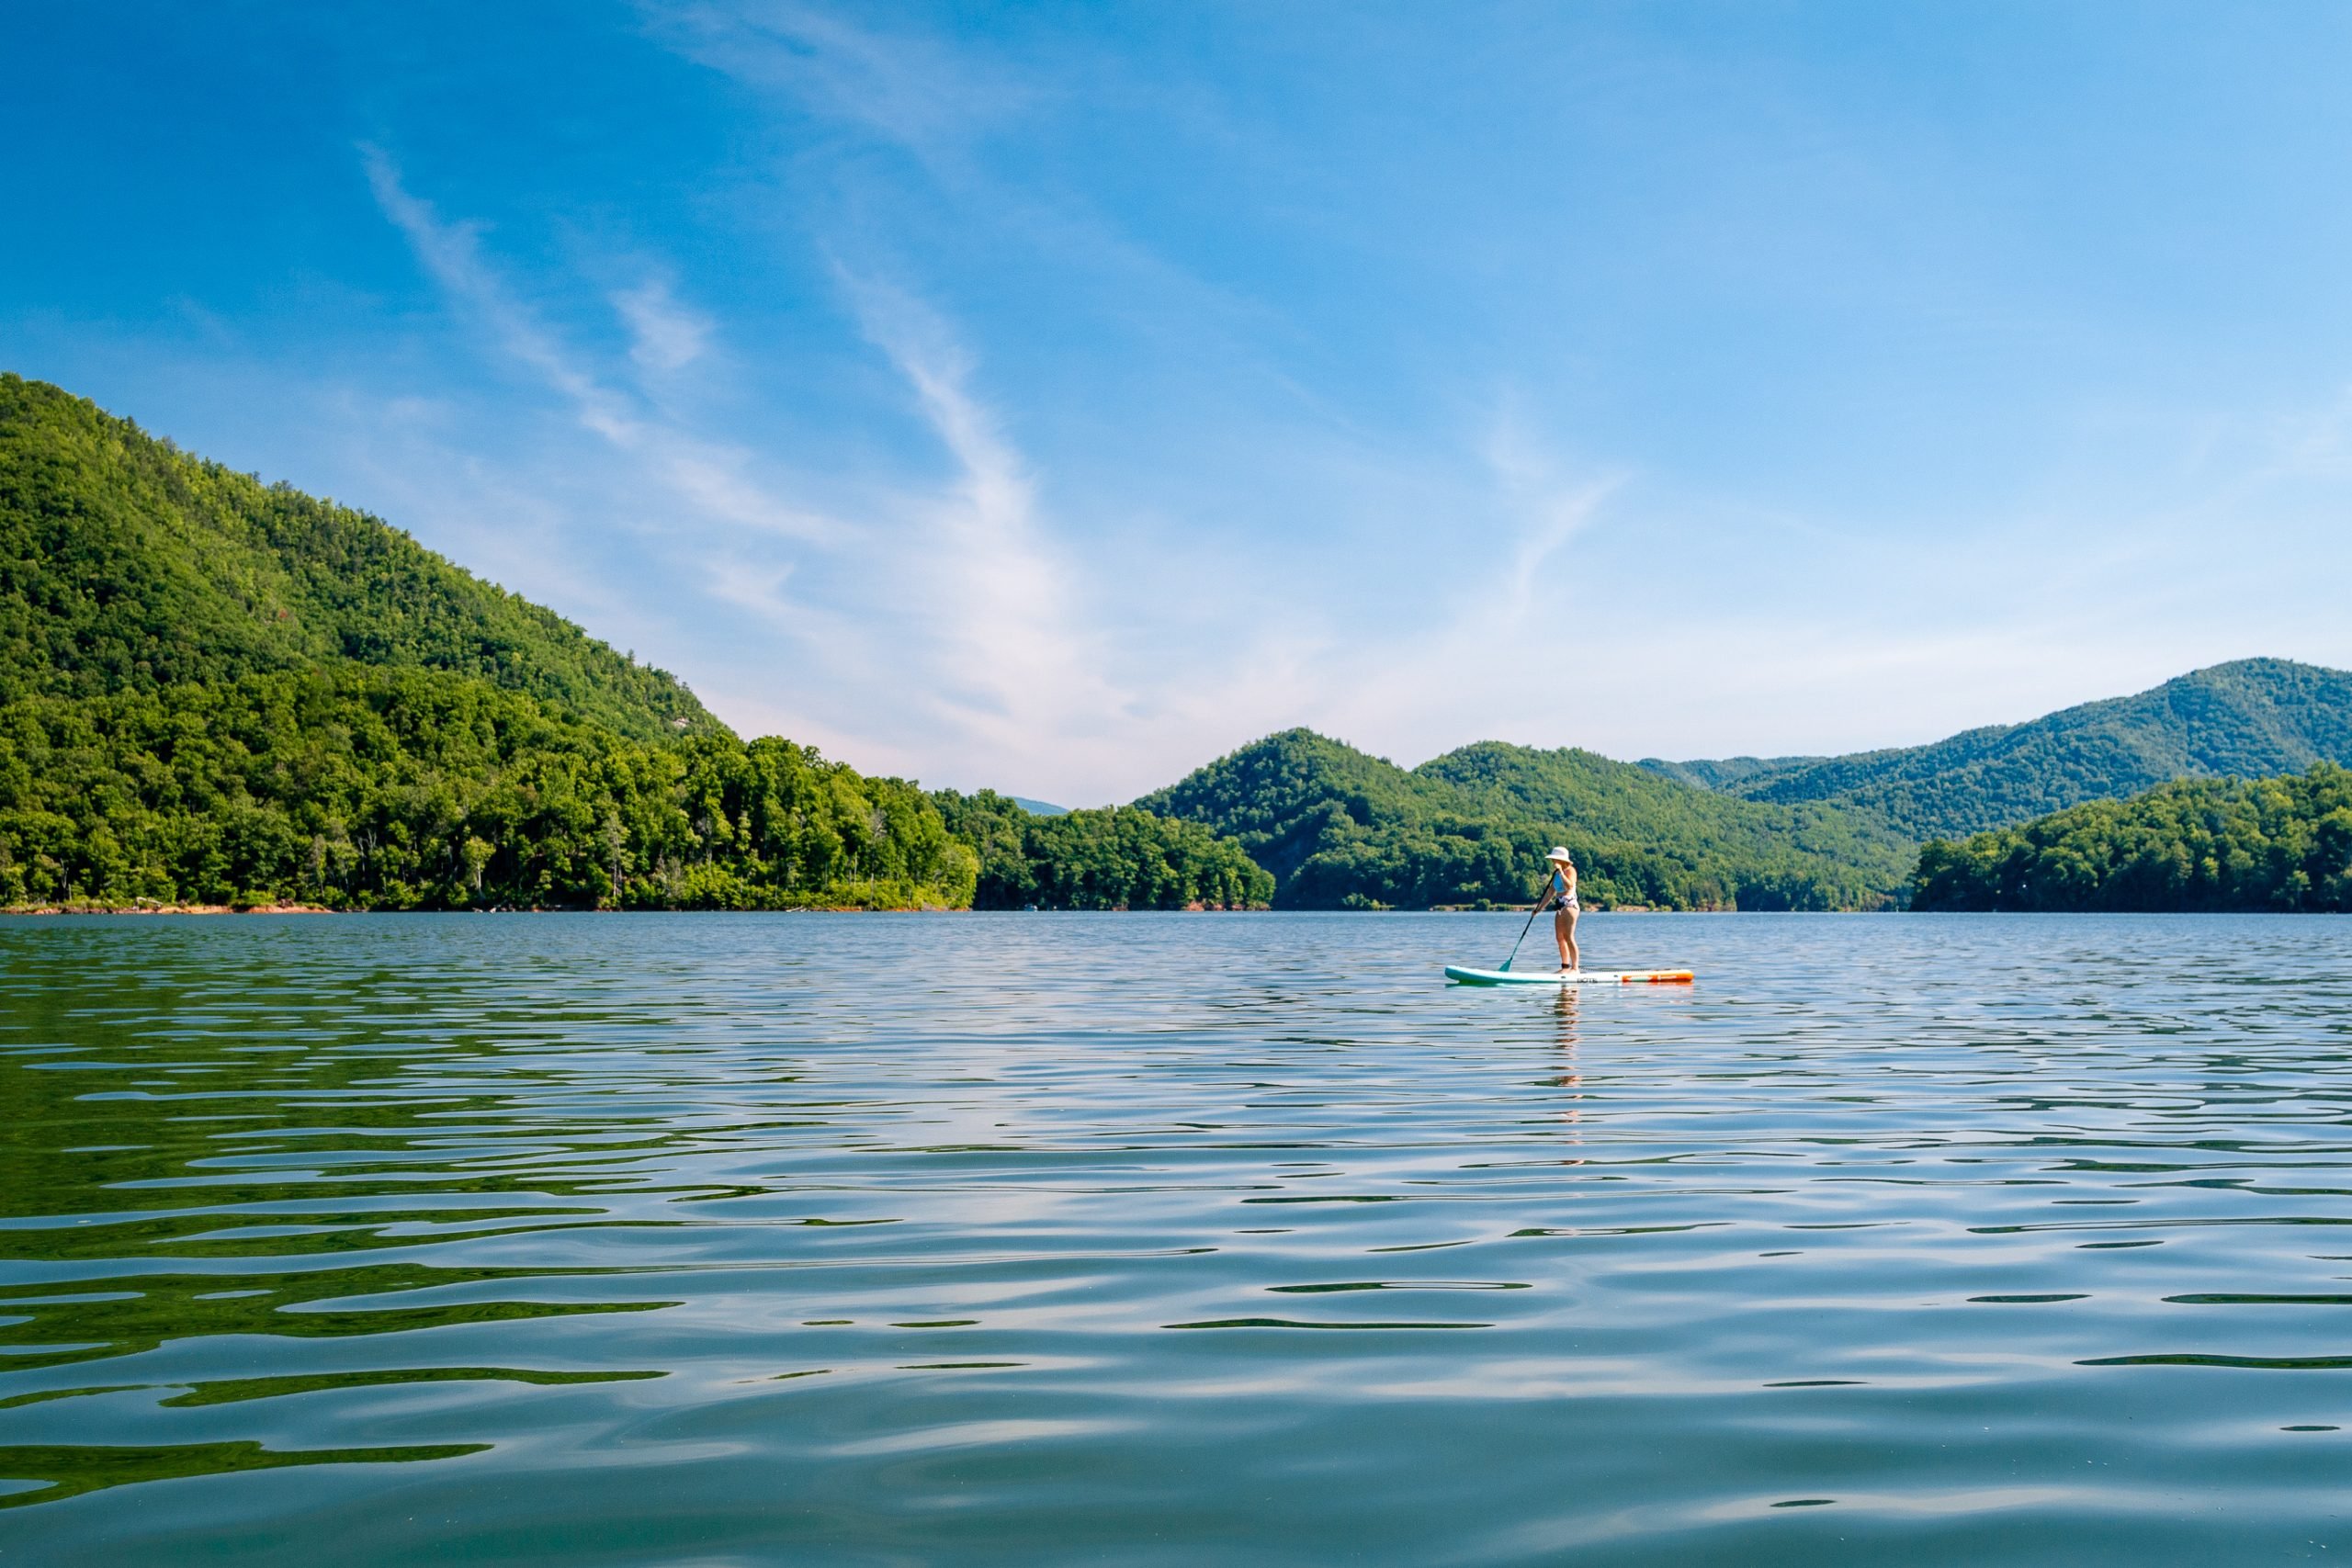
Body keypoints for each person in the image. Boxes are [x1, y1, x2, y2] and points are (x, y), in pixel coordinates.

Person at [1537, 846, 1580, 973]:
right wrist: (1538, 909)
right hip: (1560, 907)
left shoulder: (1570, 870)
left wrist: (1561, 872)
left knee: (1568, 937)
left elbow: (1569, 885)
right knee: (1559, 938)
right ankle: (1565, 967)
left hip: (1570, 906)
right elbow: (1550, 892)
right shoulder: (1555, 874)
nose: (1552, 862)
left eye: (1554, 859)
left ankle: (1575, 968)